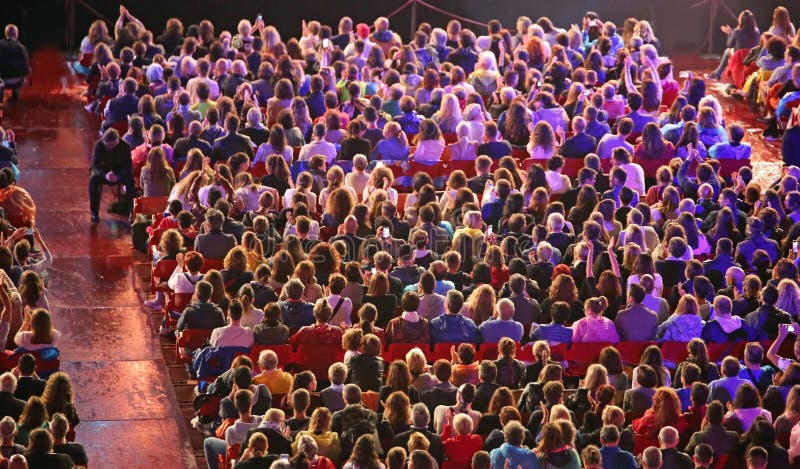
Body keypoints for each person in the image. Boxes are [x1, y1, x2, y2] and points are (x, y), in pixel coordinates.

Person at [89, 128, 135, 223]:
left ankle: (131, 211)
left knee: (131, 181)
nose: (107, 148)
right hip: (104, 173)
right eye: (106, 145)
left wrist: (118, 176)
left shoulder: (125, 146)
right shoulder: (99, 145)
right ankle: (94, 213)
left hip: (118, 173)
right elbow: (95, 165)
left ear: (117, 141)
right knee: (93, 180)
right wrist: (104, 175)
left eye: (110, 146)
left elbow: (128, 167)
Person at [0, 25, 29, 100]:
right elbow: (26, 69)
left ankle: (1, 94)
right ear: (16, 34)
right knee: (25, 74)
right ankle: (15, 93)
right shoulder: (21, 47)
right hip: (17, 81)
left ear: (6, 34)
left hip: (2, 80)